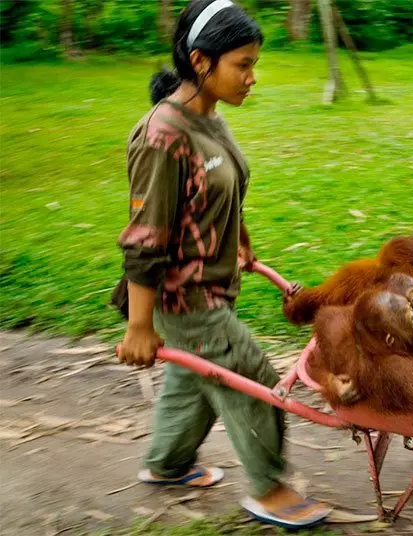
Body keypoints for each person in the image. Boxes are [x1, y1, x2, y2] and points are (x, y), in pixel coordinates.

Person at [115, 0, 330, 529]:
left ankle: (167, 464)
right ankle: (270, 488)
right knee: (248, 374)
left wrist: (241, 240)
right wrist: (140, 326)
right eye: (243, 64)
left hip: (214, 282)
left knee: (194, 380)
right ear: (201, 61)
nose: (253, 77)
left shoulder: (209, 117)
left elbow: (222, 187)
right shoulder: (164, 135)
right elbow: (145, 239)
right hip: (182, 296)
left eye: (255, 63)